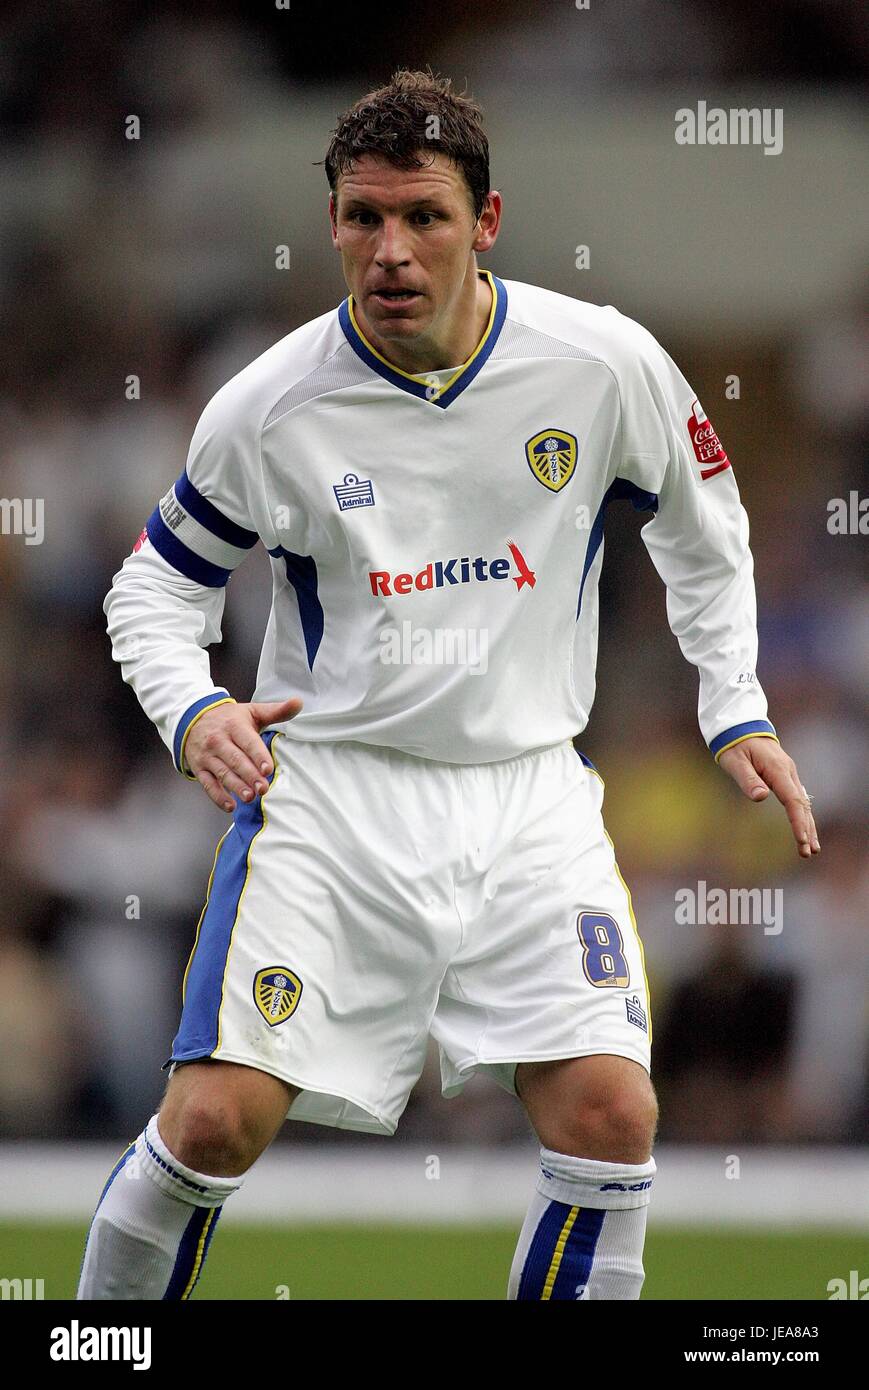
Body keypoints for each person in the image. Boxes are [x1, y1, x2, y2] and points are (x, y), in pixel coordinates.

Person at [79, 69, 819, 1302]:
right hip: (332, 800)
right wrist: (194, 708)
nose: (391, 250)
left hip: (526, 796)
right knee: (212, 1121)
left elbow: (706, 529)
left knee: (609, 1112)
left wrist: (730, 702)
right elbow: (152, 589)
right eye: (363, 217)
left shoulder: (601, 362)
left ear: (485, 222)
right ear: (329, 224)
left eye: (423, 215)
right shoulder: (268, 406)